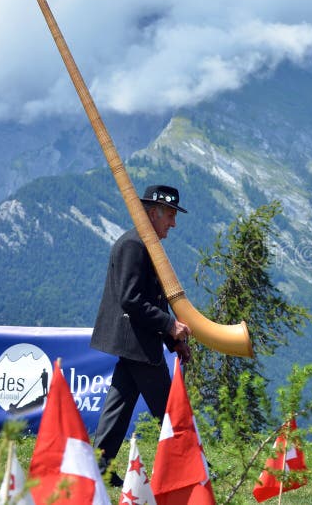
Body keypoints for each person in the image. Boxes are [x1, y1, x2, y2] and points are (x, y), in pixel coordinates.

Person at [90, 184, 192, 485]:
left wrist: (173, 341)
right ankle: (195, 469)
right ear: (152, 213)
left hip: (136, 340)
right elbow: (131, 299)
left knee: (118, 409)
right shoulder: (134, 245)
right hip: (134, 341)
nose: (173, 223)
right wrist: (170, 326)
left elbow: (152, 301)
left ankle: (98, 469)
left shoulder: (144, 245)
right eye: (170, 215)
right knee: (170, 410)